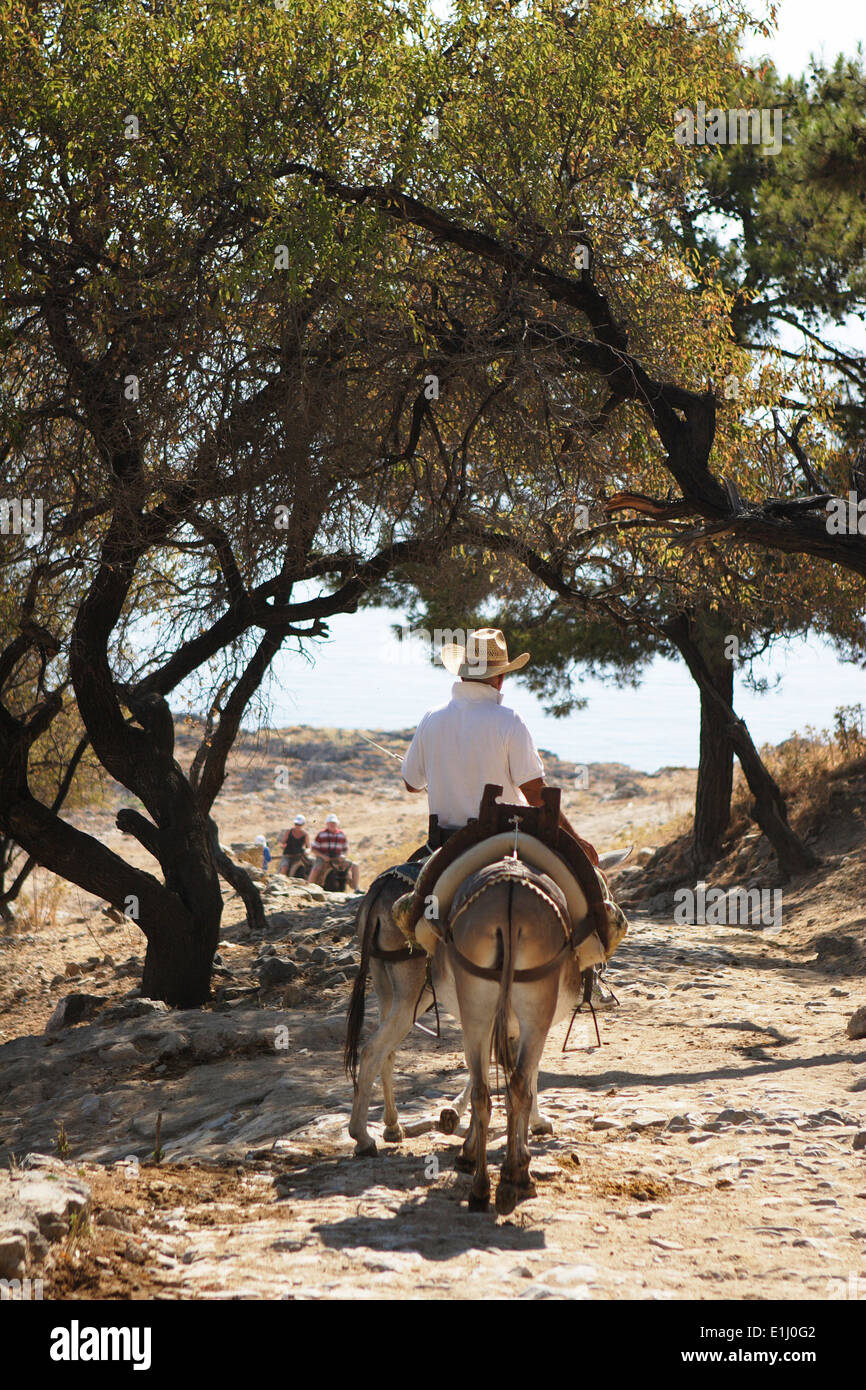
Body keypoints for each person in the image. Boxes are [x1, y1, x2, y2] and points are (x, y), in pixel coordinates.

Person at [400, 628, 597, 860]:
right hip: (506, 844)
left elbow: (412, 784)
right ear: (500, 678)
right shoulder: (509, 720)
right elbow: (534, 794)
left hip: (444, 846)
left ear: (462, 674)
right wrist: (576, 840)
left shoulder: (430, 718)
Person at [309, 813, 361, 891]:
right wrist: (323, 856)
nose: (332, 825)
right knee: (316, 869)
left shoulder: (341, 834)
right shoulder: (321, 834)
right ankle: (310, 887)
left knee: (355, 866)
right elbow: (314, 849)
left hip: (337, 858)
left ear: (337, 824)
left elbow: (346, 848)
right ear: (327, 824)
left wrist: (343, 855)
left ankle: (356, 888)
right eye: (330, 823)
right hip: (324, 857)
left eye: (334, 823)